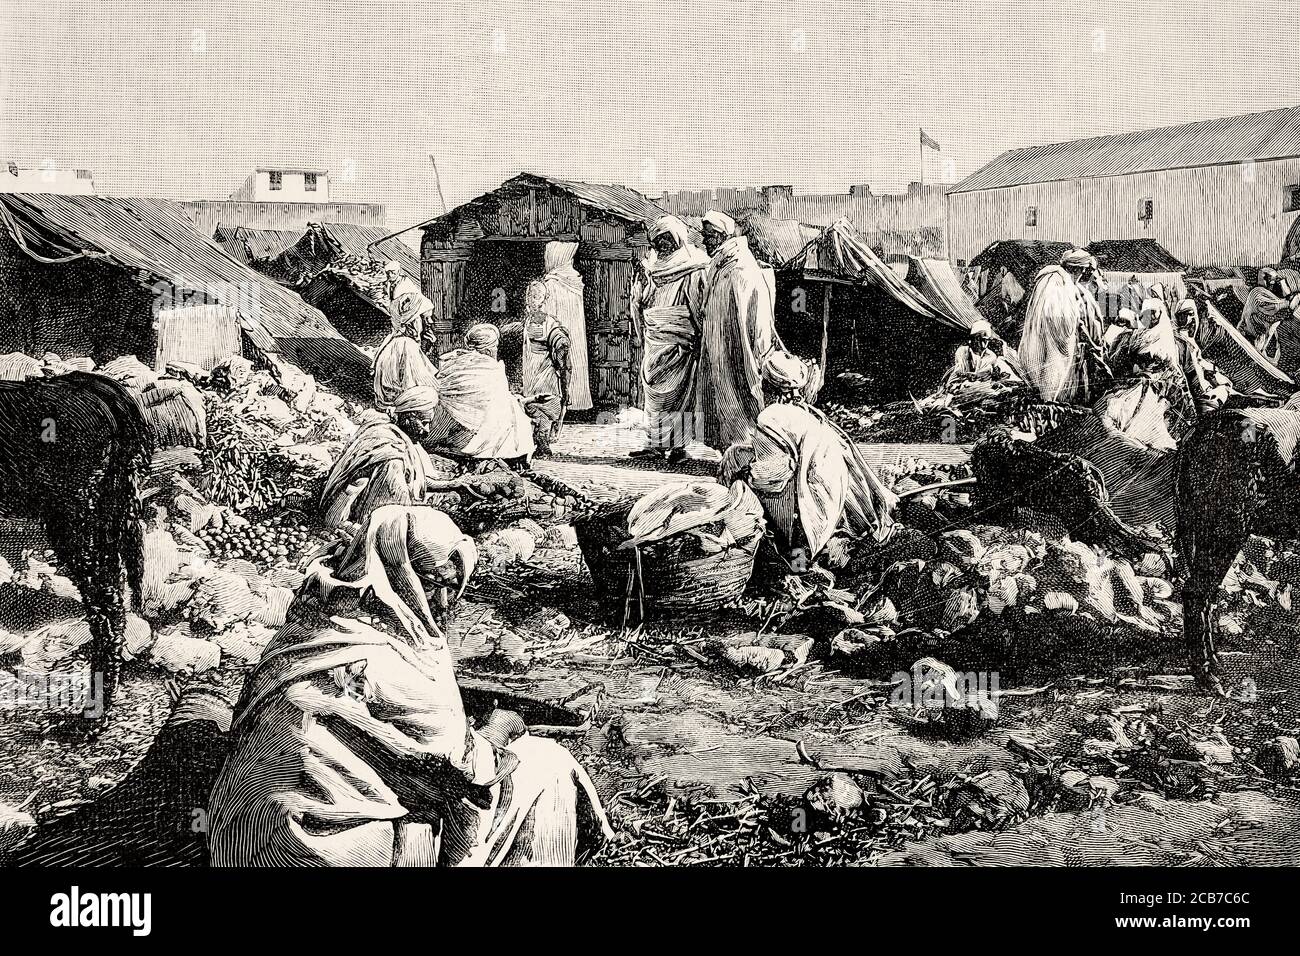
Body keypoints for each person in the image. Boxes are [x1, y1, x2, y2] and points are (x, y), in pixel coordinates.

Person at [207, 504, 613, 866]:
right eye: (433, 582)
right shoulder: (384, 655)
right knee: (545, 764)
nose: (442, 601)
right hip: (320, 850)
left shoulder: (312, 627)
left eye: (453, 586)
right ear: (397, 574)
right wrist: (504, 726)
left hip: (237, 840)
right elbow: (466, 763)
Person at [721, 353, 896, 565]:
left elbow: (775, 476)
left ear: (770, 386)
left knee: (744, 487)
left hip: (812, 508)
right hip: (836, 498)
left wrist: (745, 475)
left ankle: (793, 565)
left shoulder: (770, 417)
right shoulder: (808, 412)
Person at [695, 210, 777, 451]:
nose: (705, 241)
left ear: (722, 236)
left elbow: (752, 312)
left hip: (736, 347)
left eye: (709, 237)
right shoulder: (721, 263)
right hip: (718, 344)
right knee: (720, 395)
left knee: (739, 395)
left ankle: (745, 447)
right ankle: (728, 448)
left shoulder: (740, 265)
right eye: (704, 236)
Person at [630, 215, 710, 461]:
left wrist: (697, 335)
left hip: (681, 341)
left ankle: (678, 448)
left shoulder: (693, 266)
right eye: (659, 240)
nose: (663, 244)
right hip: (655, 341)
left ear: (677, 239)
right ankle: (655, 445)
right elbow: (641, 302)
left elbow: (698, 304)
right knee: (655, 398)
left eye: (667, 238)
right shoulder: (652, 269)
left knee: (680, 396)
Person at [319, 386, 444, 530]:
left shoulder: (396, 438)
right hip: (365, 525)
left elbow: (411, 478)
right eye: (424, 423)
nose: (427, 430)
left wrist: (452, 484)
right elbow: (395, 506)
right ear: (409, 418)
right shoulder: (391, 455)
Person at [430, 323, 536, 467]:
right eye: (495, 346)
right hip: (475, 439)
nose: (496, 350)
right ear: (488, 348)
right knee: (512, 408)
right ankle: (514, 455)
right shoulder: (492, 368)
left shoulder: (452, 362)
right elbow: (499, 406)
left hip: (448, 433)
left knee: (510, 402)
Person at [1017, 248, 1107, 404]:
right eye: (1083, 270)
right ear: (1076, 268)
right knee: (1050, 375)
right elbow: (1062, 318)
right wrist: (1077, 329)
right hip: (1054, 339)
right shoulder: (1058, 282)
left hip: (1046, 335)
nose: (1082, 274)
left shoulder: (1055, 279)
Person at [519, 279, 572, 455]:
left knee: (544, 407)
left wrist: (560, 346)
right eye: (530, 296)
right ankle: (535, 442)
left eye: (536, 297)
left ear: (544, 300)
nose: (532, 300)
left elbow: (559, 341)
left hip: (545, 373)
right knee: (532, 407)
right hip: (531, 371)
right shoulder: (529, 321)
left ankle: (542, 442)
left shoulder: (547, 322)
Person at [540, 242, 593, 412]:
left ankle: (558, 405)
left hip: (556, 336)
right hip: (573, 335)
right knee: (574, 362)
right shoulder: (575, 282)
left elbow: (546, 316)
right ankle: (577, 402)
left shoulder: (551, 284)